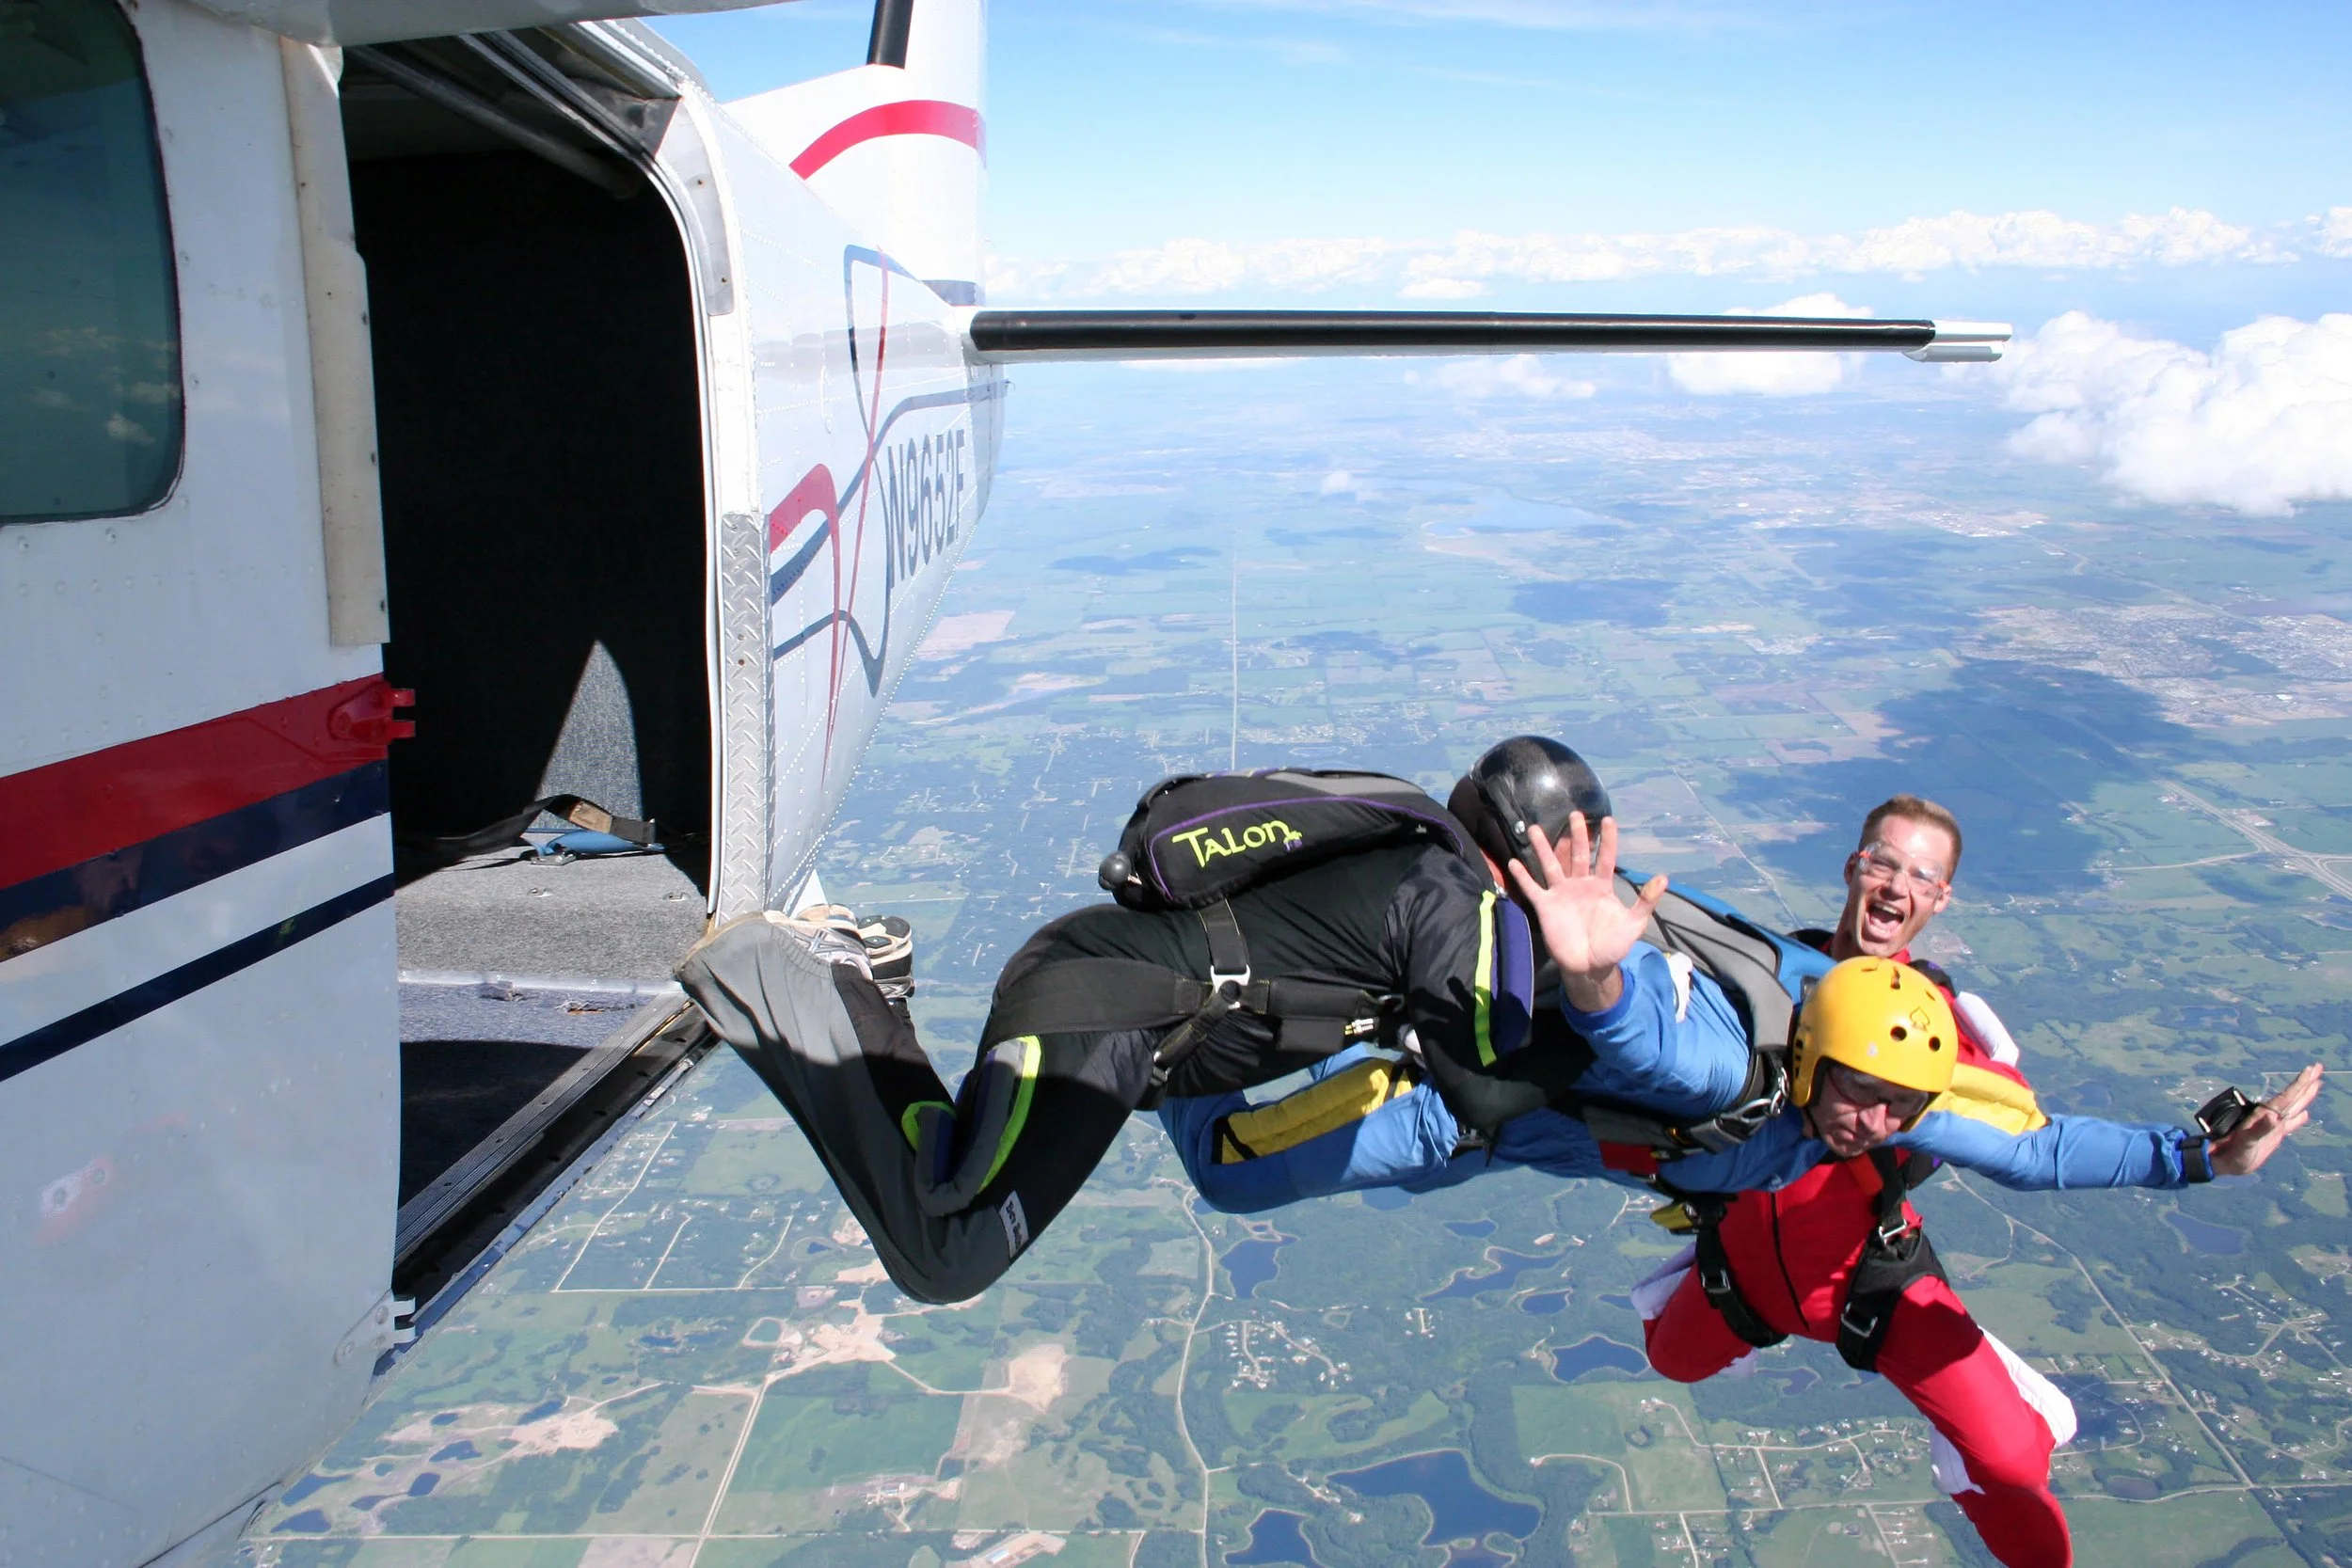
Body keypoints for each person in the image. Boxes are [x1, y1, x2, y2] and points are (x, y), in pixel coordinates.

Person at [678, 736, 1695, 1304]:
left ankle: (861, 982)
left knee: (950, 1188)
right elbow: (1479, 1086)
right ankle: (804, 978)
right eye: (1570, 853)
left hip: (1103, 1009)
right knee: (950, 1250)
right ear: (1523, 847)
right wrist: (1605, 1018)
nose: (1575, 875)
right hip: (1096, 1011)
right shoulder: (1451, 905)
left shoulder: (1428, 875)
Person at [1633, 959, 2322, 1568]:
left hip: (1873, 1285)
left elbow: (2040, 1149)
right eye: (1883, 862)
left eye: (1921, 875)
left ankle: (1998, 1425)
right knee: (1671, 1358)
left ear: (1940, 894)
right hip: (1746, 1269)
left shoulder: (1926, 1039)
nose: (1894, 890)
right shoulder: (1776, 996)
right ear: (1855, 864)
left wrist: (2199, 1155)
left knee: (2011, 1462)